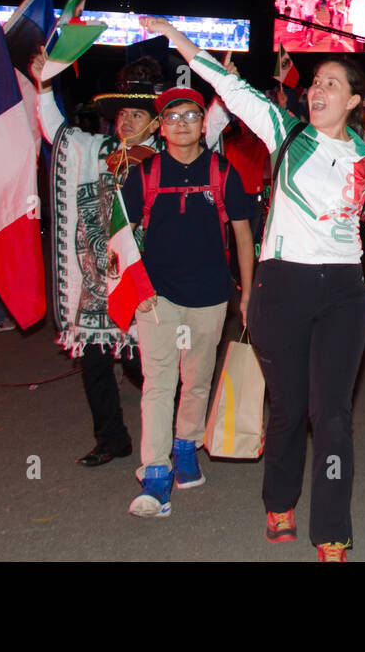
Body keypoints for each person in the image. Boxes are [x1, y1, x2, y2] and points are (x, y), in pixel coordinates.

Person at [141, 15, 365, 562]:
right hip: (280, 286)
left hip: (342, 290)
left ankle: (333, 531)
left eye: (330, 84)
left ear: (355, 100)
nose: (317, 90)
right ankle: (279, 499)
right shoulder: (284, 131)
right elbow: (230, 86)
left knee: (333, 413)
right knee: (289, 407)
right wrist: (178, 40)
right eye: (315, 83)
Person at [122, 87, 255, 518]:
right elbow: (118, 237)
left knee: (196, 379)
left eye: (191, 116)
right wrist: (134, 288)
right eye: (172, 117)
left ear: (203, 123)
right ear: (160, 127)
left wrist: (248, 293)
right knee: (159, 382)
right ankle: (156, 475)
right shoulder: (142, 173)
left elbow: (242, 233)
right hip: (156, 297)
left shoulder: (223, 171)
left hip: (211, 295)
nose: (182, 123)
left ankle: (186, 447)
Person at [33, 49, 161, 468]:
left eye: (137, 116)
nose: (127, 121)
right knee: (95, 363)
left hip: (147, 284)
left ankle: (175, 436)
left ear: (155, 122)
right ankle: (112, 438)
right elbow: (57, 131)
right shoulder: (96, 150)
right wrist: (45, 84)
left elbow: (210, 130)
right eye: (123, 113)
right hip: (97, 287)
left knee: (149, 371)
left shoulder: (169, 159)